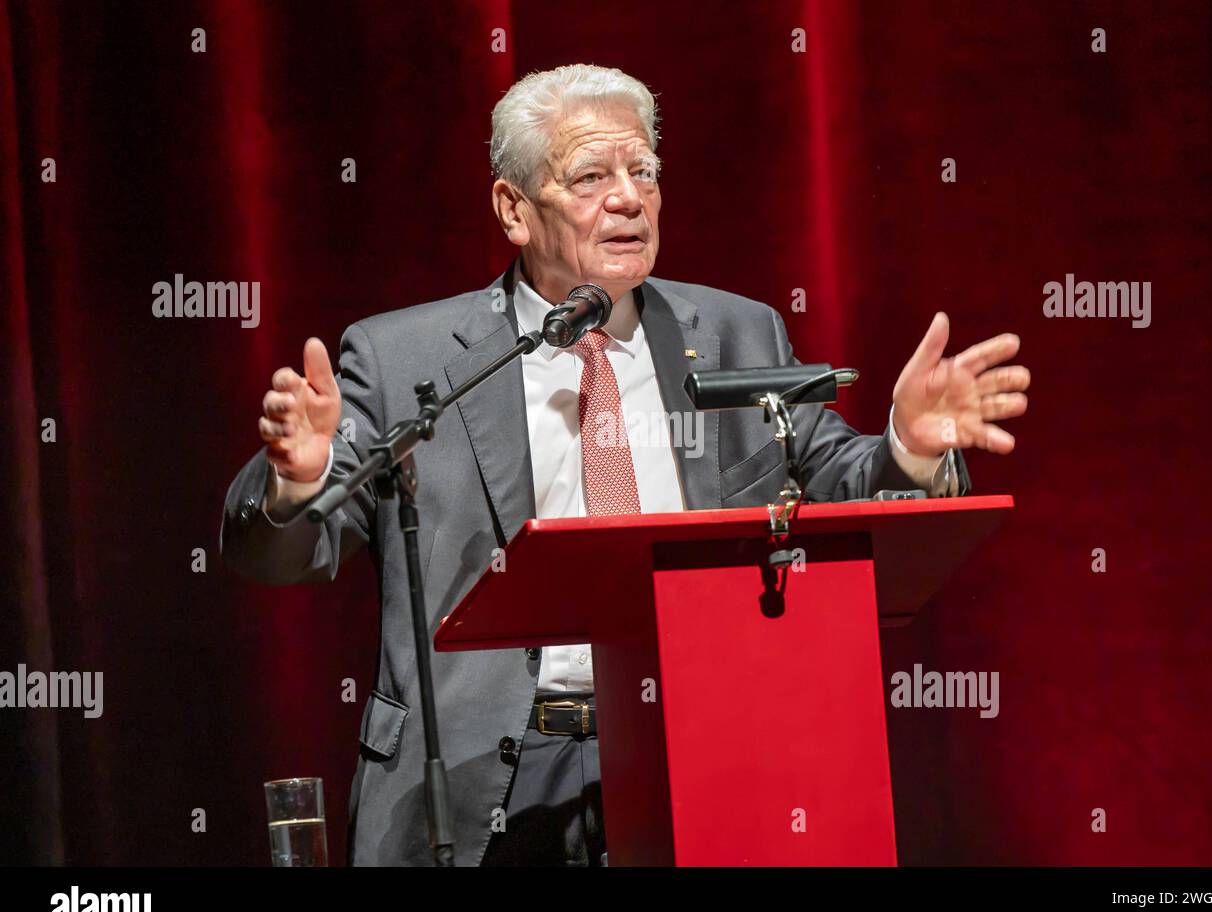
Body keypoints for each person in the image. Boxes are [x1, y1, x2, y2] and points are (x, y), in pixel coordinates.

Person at [220, 64, 1030, 866]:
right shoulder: (407, 360)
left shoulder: (737, 335)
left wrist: (910, 448)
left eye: (644, 170)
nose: (629, 197)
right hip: (480, 783)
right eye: (591, 176)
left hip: (697, 754)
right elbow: (281, 551)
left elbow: (844, 490)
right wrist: (299, 477)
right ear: (513, 208)